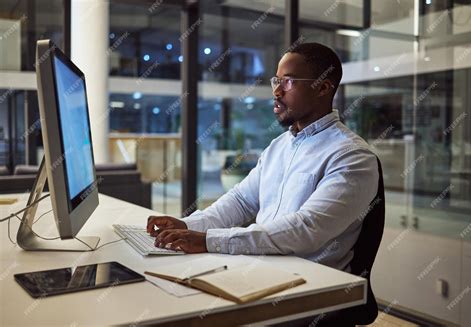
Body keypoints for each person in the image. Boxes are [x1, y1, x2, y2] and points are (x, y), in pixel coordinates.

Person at [147, 42, 379, 272]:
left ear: (322, 88)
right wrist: (188, 225)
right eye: (276, 81)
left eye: (288, 82)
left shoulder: (352, 156)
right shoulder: (278, 147)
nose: (277, 92)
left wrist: (208, 240)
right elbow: (241, 201)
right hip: (260, 267)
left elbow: (305, 229)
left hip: (309, 283)